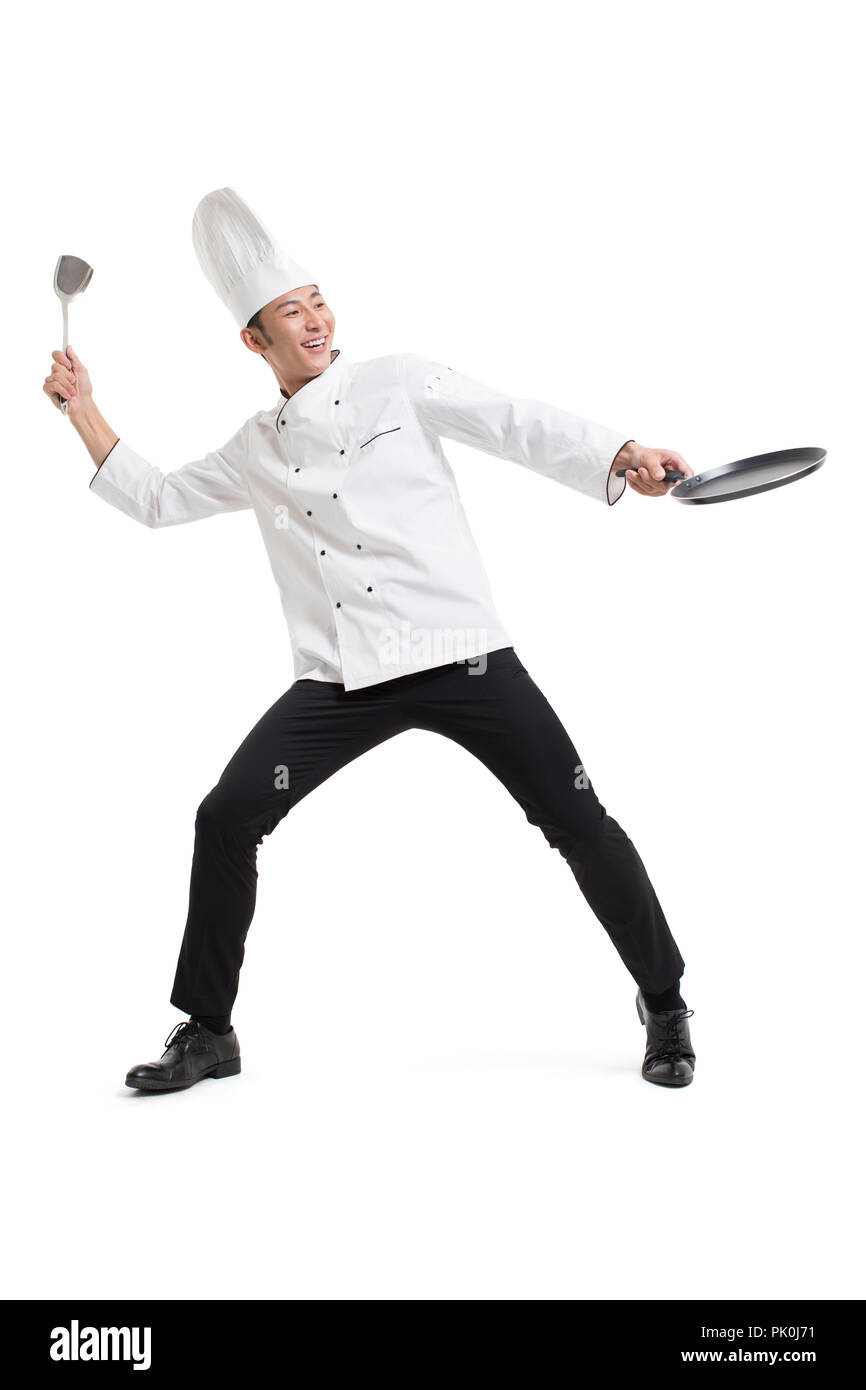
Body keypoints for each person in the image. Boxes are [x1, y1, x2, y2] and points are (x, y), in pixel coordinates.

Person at [43, 187, 697, 1092]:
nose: (313, 320)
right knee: (228, 813)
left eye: (317, 301)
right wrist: (82, 407)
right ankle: (207, 1030)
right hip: (339, 679)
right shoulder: (255, 444)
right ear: (253, 341)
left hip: (463, 653)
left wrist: (620, 453)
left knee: (577, 819)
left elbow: (514, 421)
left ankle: (664, 1003)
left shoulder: (399, 379)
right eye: (290, 312)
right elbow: (158, 501)